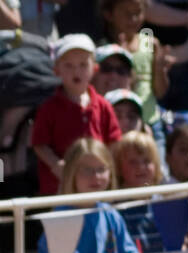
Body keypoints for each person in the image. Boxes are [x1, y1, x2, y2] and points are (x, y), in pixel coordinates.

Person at [35, 137, 148, 253]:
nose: (96, 176)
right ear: (71, 173)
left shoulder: (110, 214)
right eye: (87, 170)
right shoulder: (62, 217)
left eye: (101, 169)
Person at [32, 33, 122, 195]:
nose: (76, 71)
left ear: (94, 68)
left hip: (96, 185)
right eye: (69, 65)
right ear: (56, 70)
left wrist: (103, 167)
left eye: (82, 64)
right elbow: (39, 144)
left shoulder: (103, 106)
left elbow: (114, 141)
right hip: (61, 188)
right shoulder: (49, 108)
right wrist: (56, 165)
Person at [98, 0, 168, 122]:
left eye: (138, 12)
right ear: (109, 14)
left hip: (150, 120)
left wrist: (159, 66)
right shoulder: (103, 50)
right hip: (119, 123)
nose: (133, 18)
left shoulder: (149, 43)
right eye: (127, 13)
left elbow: (160, 91)